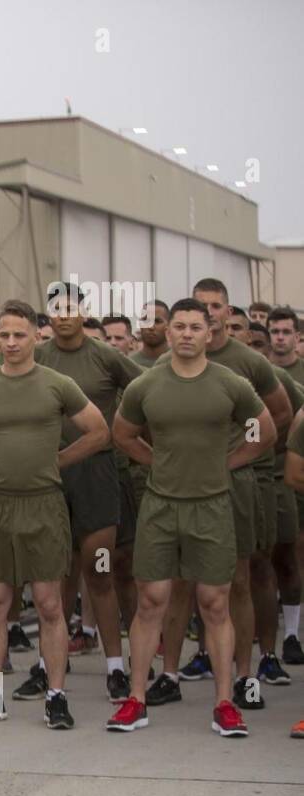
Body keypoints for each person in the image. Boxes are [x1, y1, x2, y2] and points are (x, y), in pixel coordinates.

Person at [110, 298, 273, 736]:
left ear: (209, 332)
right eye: (178, 326)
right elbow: (122, 433)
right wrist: (154, 461)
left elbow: (264, 429)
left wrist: (230, 462)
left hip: (213, 506)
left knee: (215, 604)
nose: (185, 333)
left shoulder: (230, 383)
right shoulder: (147, 385)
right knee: (150, 602)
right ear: (168, 333)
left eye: (194, 327)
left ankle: (224, 703)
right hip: (160, 507)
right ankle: (136, 700)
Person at [0, 300, 107, 729]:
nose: (9, 343)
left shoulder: (58, 384)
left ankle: (56, 696)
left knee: (48, 604)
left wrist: (56, 461)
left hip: (44, 503)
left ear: (36, 336)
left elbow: (99, 431)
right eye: (2, 335)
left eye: (18, 335)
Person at [35, 282, 141, 701]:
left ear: (82, 311)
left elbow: (150, 392)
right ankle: (47, 667)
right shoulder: (36, 357)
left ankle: (116, 667)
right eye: (55, 309)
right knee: (53, 577)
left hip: (97, 477)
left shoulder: (107, 357)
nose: (63, 315)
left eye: (70, 307)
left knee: (100, 572)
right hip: (48, 478)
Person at [266, 307, 304, 665]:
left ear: (297, 336)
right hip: (266, 474)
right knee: (264, 559)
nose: (280, 336)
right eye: (274, 331)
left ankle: (292, 633)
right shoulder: (262, 372)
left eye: (286, 331)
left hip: (292, 477)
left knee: (292, 558)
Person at [132, 300, 170, 368]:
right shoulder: (130, 364)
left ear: (168, 325)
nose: (151, 327)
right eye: (146, 320)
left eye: (157, 321)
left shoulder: (180, 361)